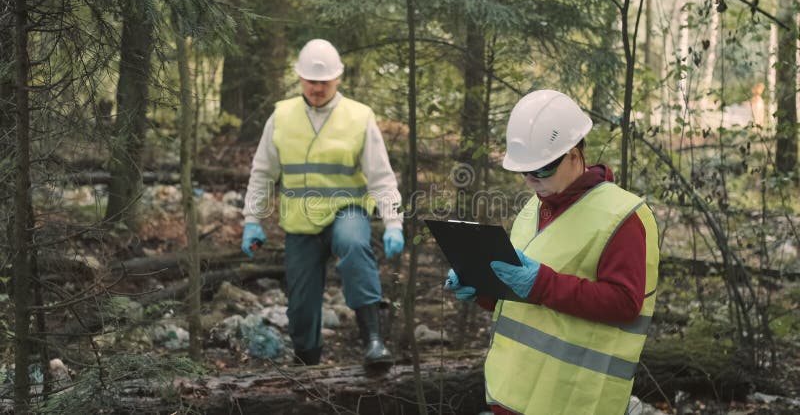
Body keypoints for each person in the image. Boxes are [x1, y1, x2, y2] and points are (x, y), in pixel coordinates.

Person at [444, 90, 659, 414]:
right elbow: (524, 300)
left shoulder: (622, 217)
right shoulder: (534, 209)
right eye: (525, 171)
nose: (532, 181)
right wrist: (482, 289)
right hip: (511, 392)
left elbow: (625, 304)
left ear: (574, 154)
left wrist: (541, 284)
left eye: (542, 169)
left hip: (573, 400)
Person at [240, 39, 404, 368]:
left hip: (347, 210)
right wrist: (252, 220)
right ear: (300, 78)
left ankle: (373, 341)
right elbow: (263, 172)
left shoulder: (359, 117)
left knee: (354, 246)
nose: (317, 88)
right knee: (300, 304)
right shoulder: (281, 116)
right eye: (311, 81)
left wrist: (394, 223)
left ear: (338, 79)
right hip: (300, 221)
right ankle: (307, 364)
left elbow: (381, 176)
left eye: (324, 82)